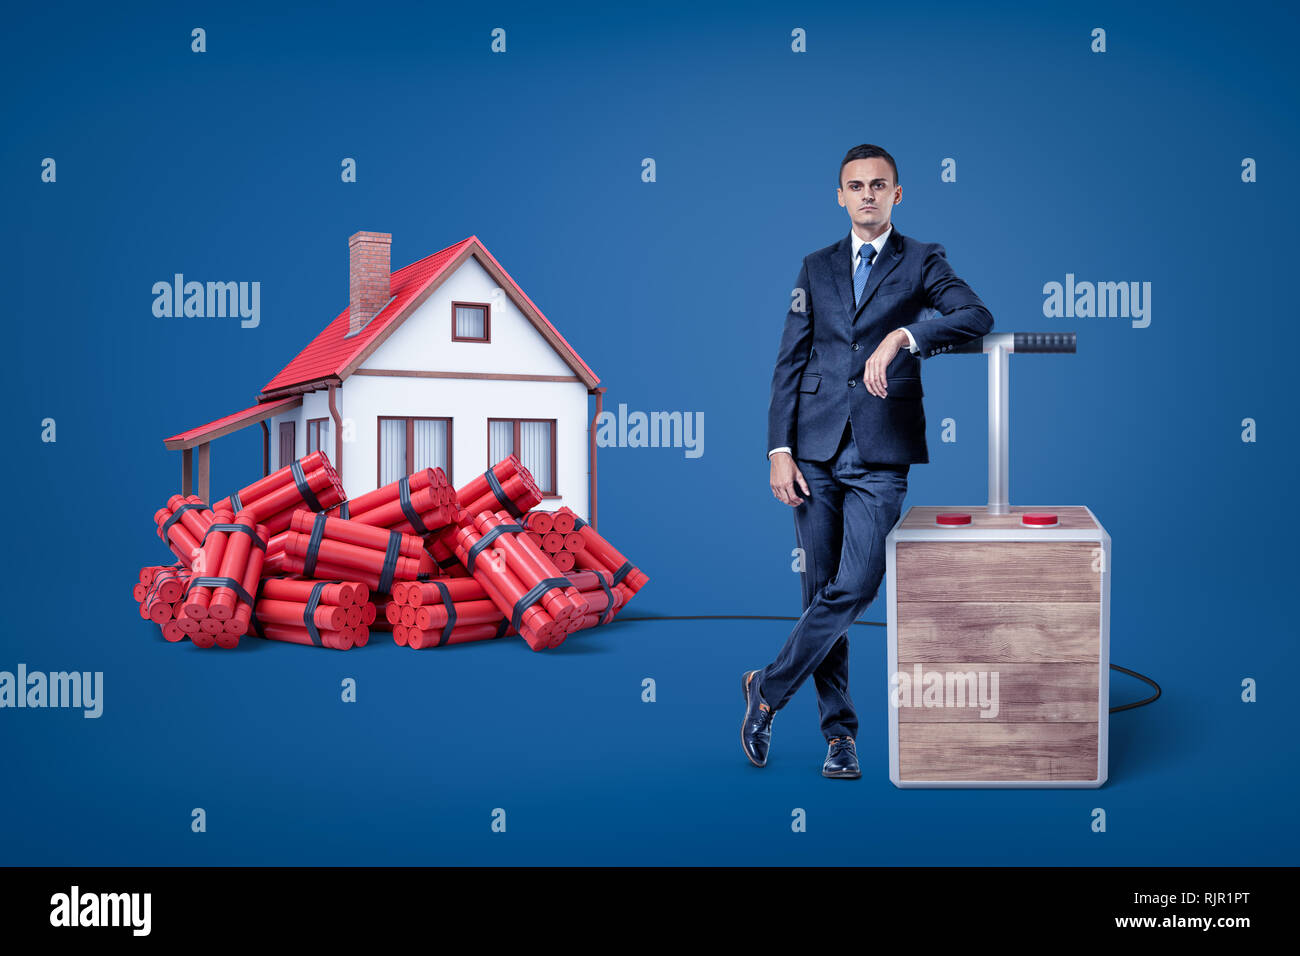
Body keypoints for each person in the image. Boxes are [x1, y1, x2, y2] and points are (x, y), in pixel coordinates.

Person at [743, 144, 994, 778]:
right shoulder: (815, 266)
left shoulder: (922, 260)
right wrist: (779, 449)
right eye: (855, 186)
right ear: (840, 196)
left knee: (854, 586)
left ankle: (767, 689)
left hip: (881, 452)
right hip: (813, 451)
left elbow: (976, 316)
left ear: (897, 194)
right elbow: (789, 363)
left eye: (879, 185)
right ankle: (840, 738)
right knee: (818, 593)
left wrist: (904, 336)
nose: (867, 195)